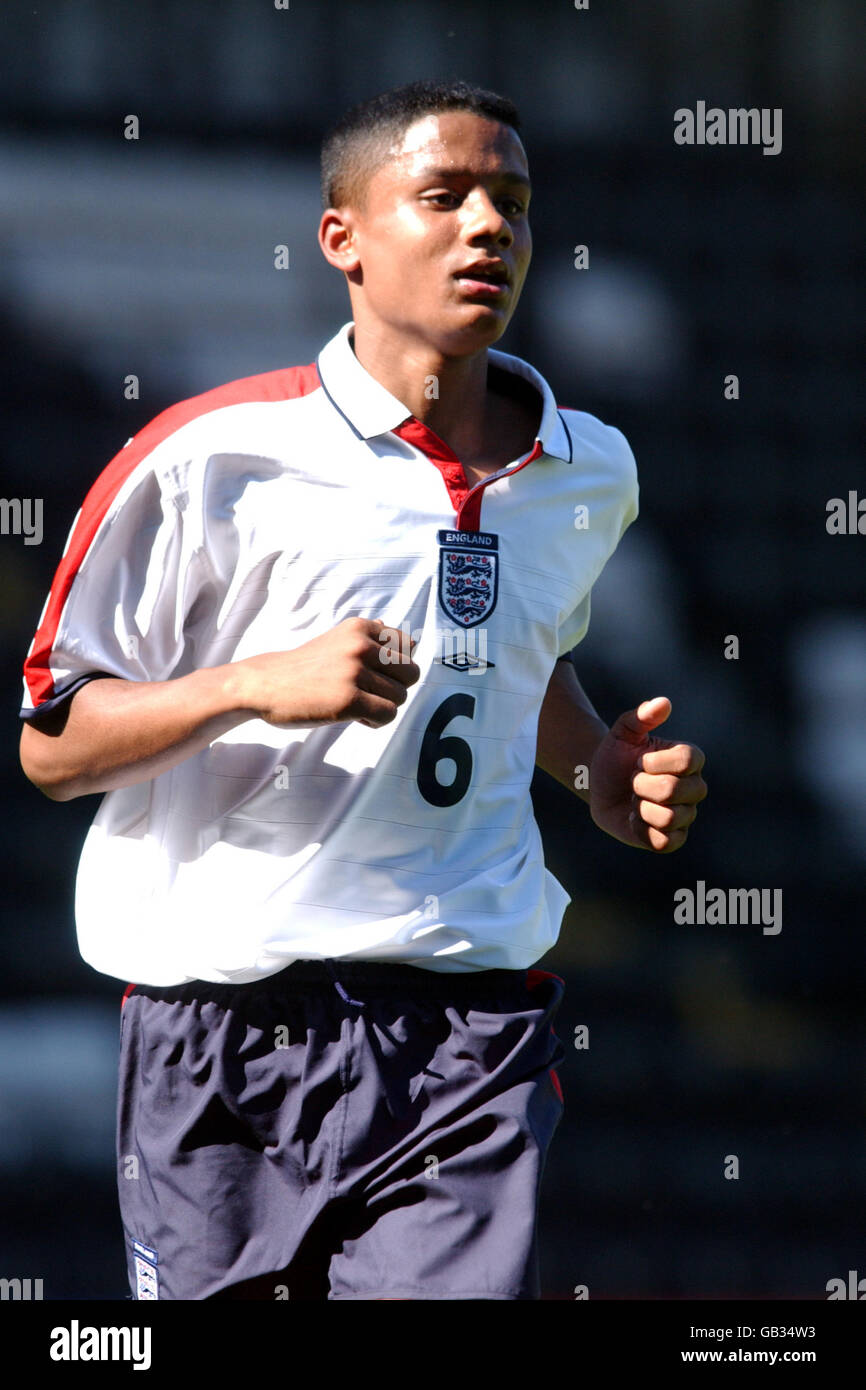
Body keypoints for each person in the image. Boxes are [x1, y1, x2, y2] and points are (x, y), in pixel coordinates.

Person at [18, 79, 707, 1301]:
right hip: (217, 1029)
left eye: (510, 202)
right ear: (342, 237)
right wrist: (254, 685)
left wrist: (588, 762)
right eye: (442, 196)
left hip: (465, 1031)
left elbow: (517, 643)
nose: (487, 227)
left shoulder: (588, 468)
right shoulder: (206, 456)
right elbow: (55, 743)